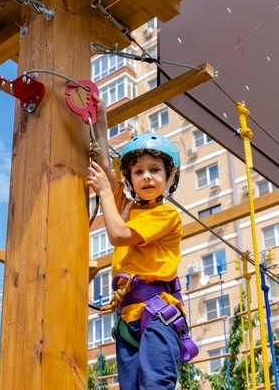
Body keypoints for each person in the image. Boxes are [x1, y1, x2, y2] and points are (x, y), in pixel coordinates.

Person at [87, 94, 198, 390]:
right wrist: (100, 123)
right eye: (138, 172)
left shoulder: (166, 214)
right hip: (128, 318)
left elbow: (119, 235)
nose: (146, 177)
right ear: (130, 178)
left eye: (154, 170)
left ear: (169, 177)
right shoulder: (126, 208)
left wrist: (105, 195)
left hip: (157, 314)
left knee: (155, 384)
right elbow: (107, 173)